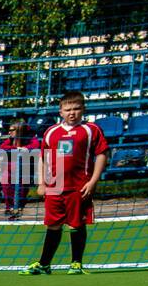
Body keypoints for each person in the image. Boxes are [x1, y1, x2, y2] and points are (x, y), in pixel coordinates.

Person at [20, 91, 108, 275]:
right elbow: (44, 159)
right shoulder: (51, 132)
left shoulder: (91, 130)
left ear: (83, 110)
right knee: (53, 225)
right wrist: (42, 183)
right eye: (67, 109)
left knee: (77, 224)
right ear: (60, 111)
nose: (72, 113)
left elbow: (101, 154)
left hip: (79, 187)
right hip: (54, 188)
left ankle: (76, 263)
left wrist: (93, 181)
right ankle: (44, 264)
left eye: (76, 109)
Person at [0, 120, 40, 219]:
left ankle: (19, 206)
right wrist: (18, 150)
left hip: (24, 169)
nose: (9, 132)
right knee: (6, 187)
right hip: (9, 169)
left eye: (12, 130)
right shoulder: (10, 140)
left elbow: (36, 146)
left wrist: (25, 148)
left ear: (19, 130)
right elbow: (3, 147)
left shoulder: (29, 138)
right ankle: (9, 206)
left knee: (22, 188)